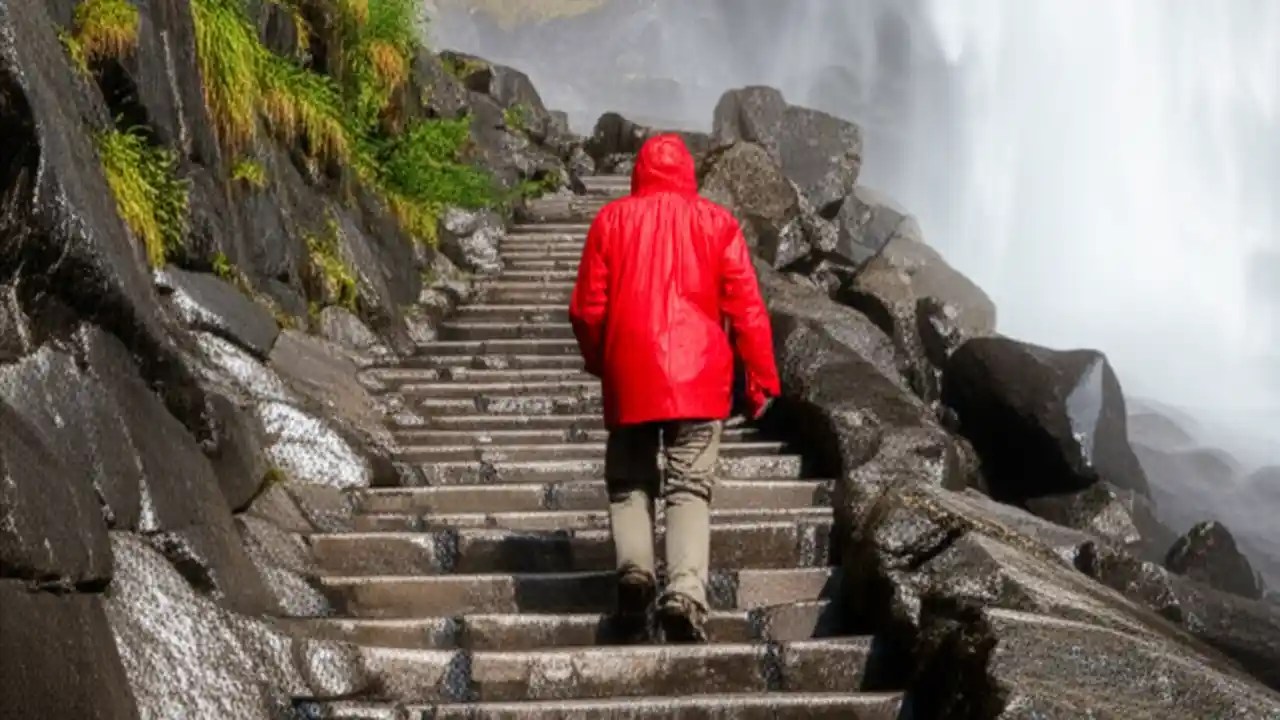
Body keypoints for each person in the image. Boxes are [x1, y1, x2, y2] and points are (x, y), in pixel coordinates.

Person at [568, 133, 781, 643]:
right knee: (689, 488)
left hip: (632, 374)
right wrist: (760, 380)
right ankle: (684, 593)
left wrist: (606, 362)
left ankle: (636, 572)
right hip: (700, 378)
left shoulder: (610, 221)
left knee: (629, 480)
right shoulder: (718, 223)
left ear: (639, 172)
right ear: (689, 173)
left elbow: (586, 309)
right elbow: (746, 309)